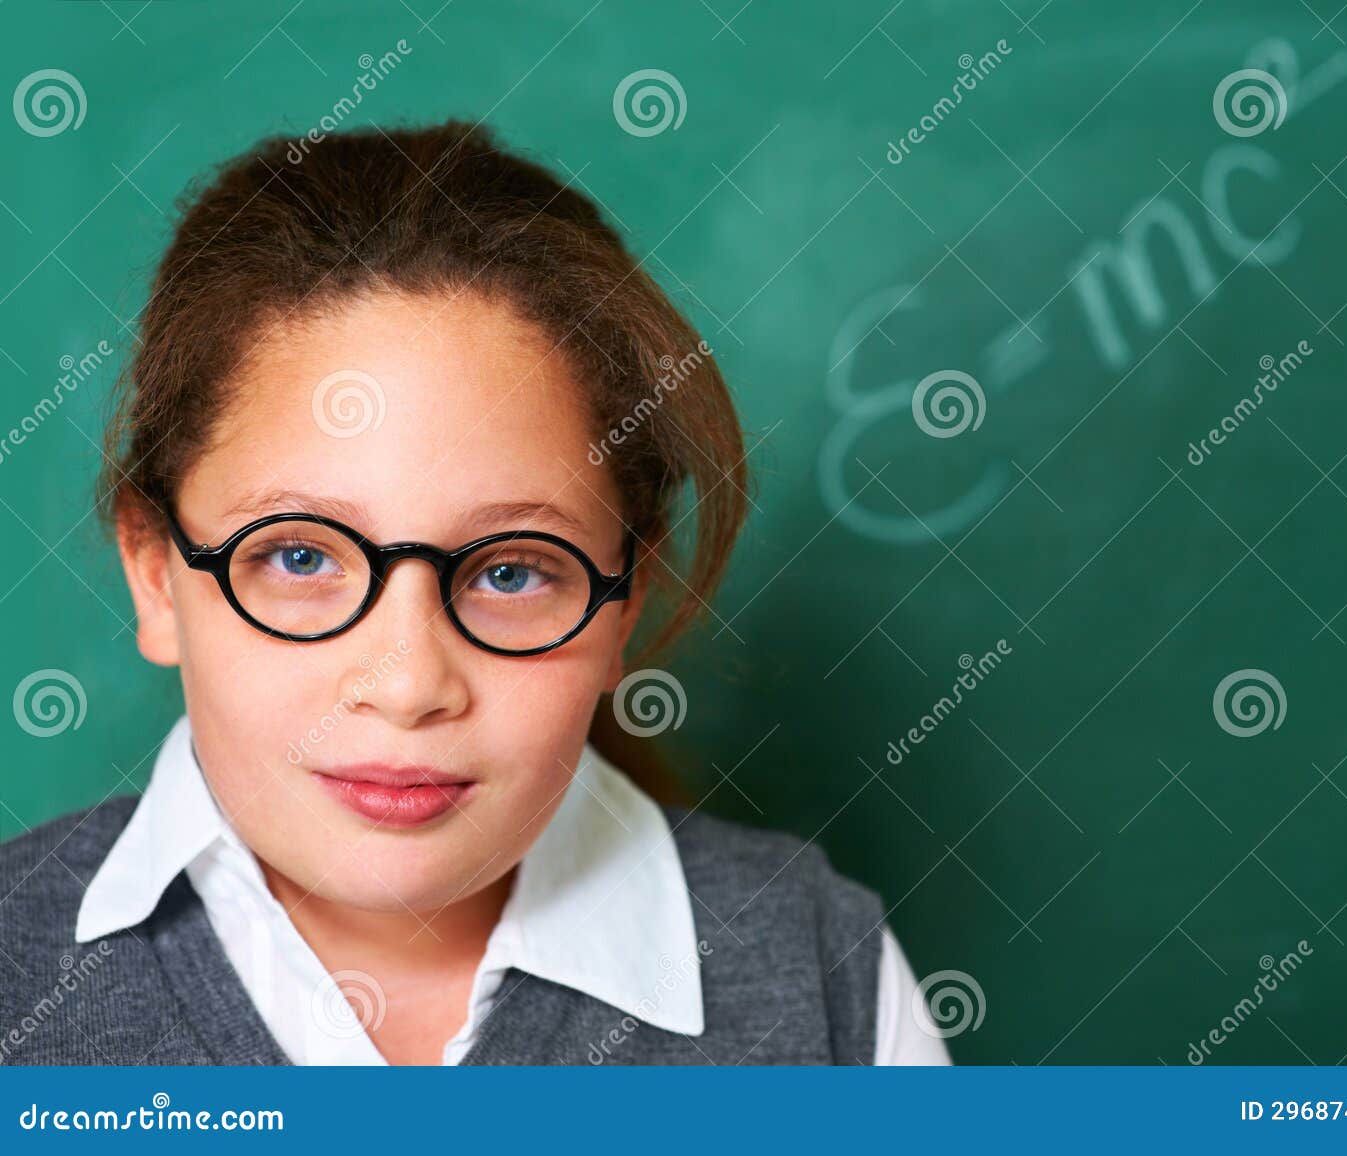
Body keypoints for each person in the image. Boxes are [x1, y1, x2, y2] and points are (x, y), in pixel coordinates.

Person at [0, 121, 951, 1066]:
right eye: (298, 557)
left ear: (627, 599)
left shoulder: (827, 981)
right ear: (157, 573)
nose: (410, 685)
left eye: (510, 572)